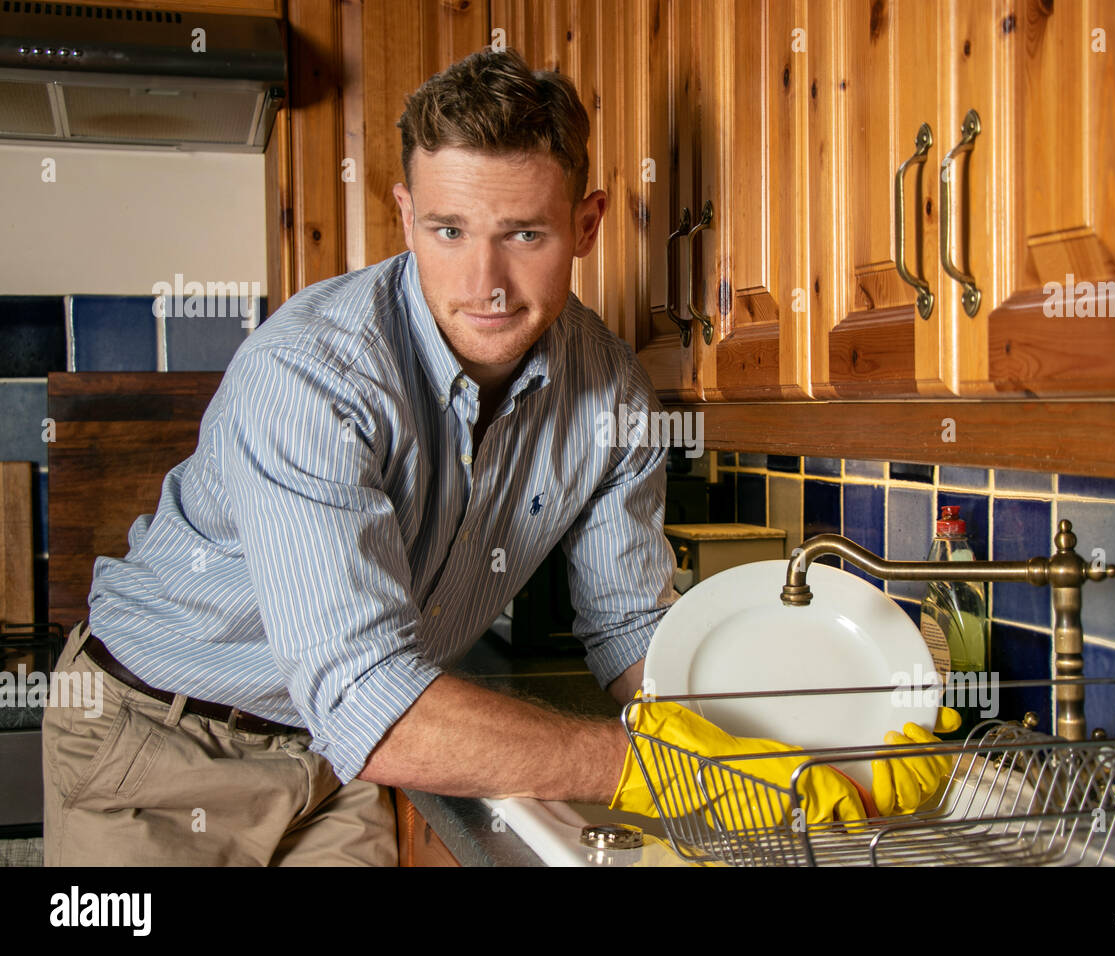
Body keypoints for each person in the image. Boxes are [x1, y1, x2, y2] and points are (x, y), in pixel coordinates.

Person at [42, 47, 950, 867]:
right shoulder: (309, 376)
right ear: (404, 215)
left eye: (524, 233)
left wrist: (815, 735)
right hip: (156, 755)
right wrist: (671, 773)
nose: (484, 284)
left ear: (586, 224)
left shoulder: (612, 392)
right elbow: (373, 702)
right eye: (448, 231)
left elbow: (632, 629)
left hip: (338, 774)